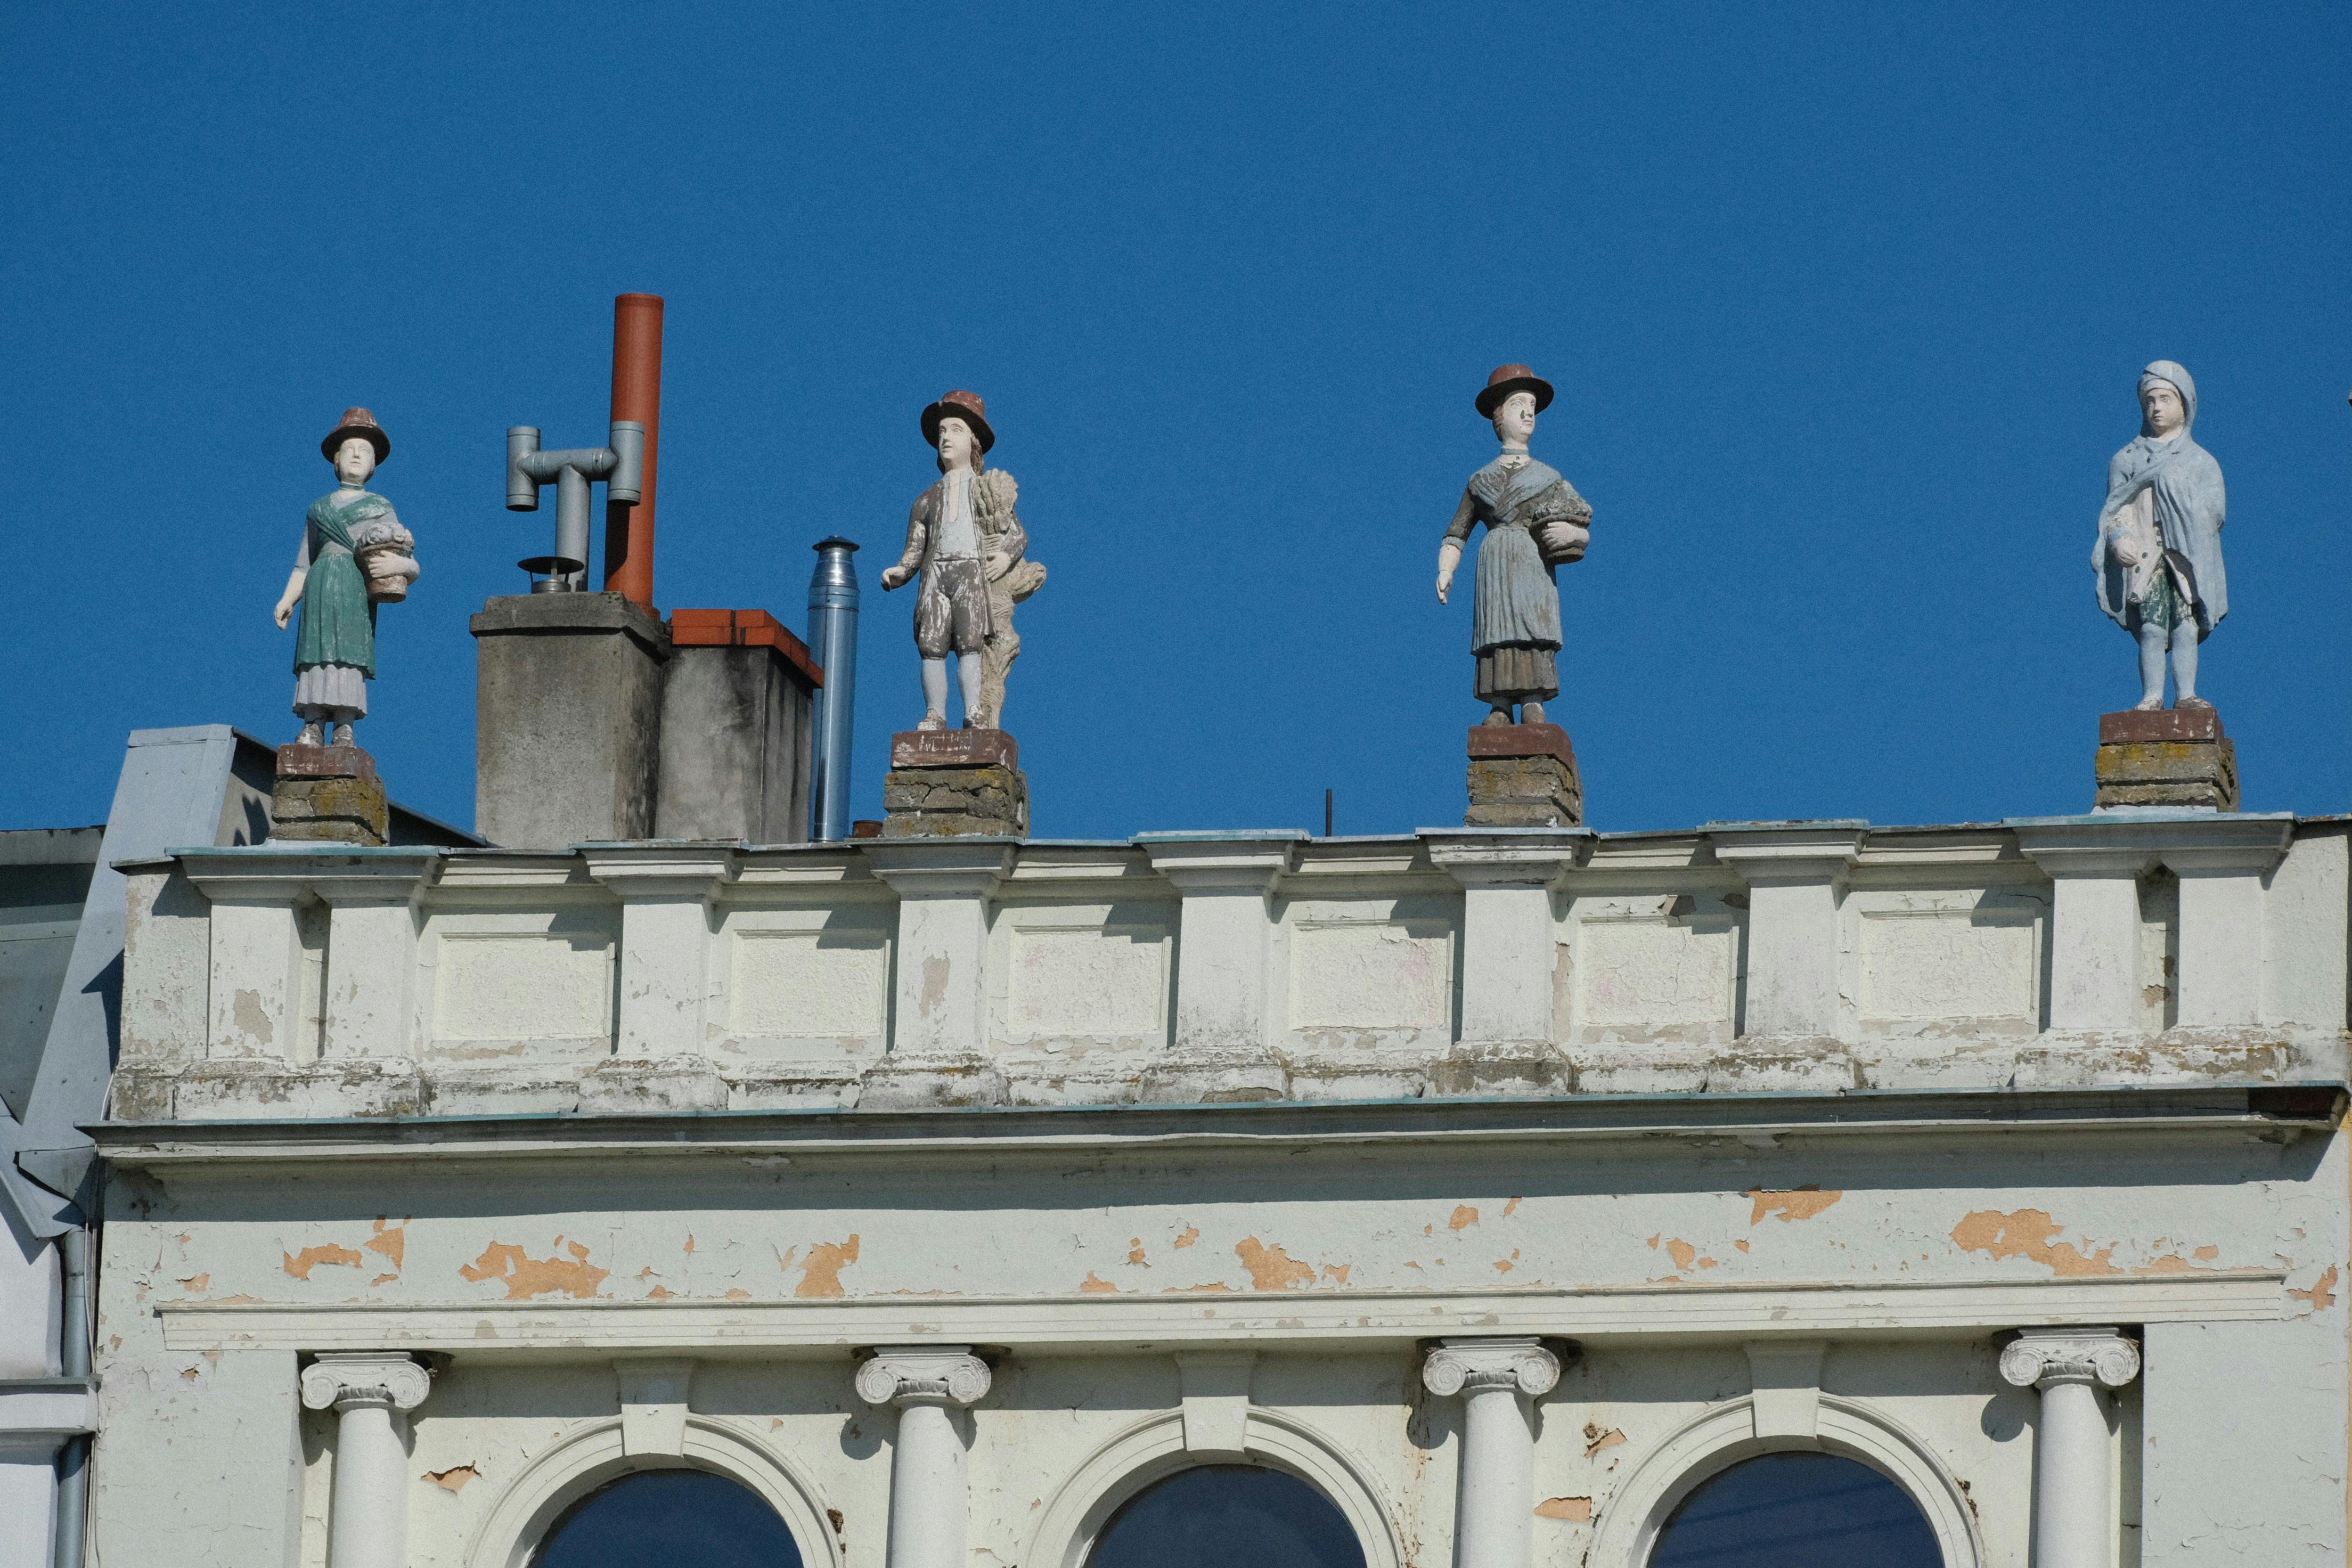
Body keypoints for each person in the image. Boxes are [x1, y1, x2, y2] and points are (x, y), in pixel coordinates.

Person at [1436, 365, 1592, 725]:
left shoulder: (1549, 477)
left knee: (1531, 626)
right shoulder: (1480, 481)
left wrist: (1573, 536)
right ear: (1499, 415)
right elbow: (1457, 531)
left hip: (1530, 559)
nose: (1528, 413)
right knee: (1498, 630)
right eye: (1519, 404)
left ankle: (1534, 700)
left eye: (1533, 405)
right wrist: (1446, 568)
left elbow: (1582, 522)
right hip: (1495, 563)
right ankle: (1500, 704)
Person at [880, 390, 1029, 730]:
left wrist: (1004, 558)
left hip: (969, 571)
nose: (946, 438)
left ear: (974, 441)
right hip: (935, 574)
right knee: (931, 646)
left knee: (969, 645)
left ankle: (974, 711)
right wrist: (900, 571)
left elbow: (1017, 535)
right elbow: (915, 549)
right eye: (942, 432)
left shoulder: (984, 491)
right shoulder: (926, 500)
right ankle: (935, 714)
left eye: (955, 430)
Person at [2093, 361, 2227, 712]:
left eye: (2165, 399)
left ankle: (2186, 695)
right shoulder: (2127, 458)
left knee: (2186, 625)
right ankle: (2152, 697)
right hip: (2146, 554)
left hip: (2186, 555)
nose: (2156, 408)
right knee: (2152, 627)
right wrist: (2121, 537)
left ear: (2184, 403)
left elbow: (2215, 511)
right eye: (2150, 400)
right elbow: (2116, 506)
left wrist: (2183, 507)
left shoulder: (2201, 461)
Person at [272, 409, 396, 747]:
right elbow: (303, 564)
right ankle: (313, 723)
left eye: (365, 451)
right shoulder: (319, 509)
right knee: (317, 652)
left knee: (349, 652)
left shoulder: (381, 508)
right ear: (336, 461)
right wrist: (288, 599)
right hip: (320, 586)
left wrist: (400, 571)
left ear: (373, 466)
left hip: (355, 587)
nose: (357, 455)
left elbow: (397, 556)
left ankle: (344, 725)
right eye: (350, 449)